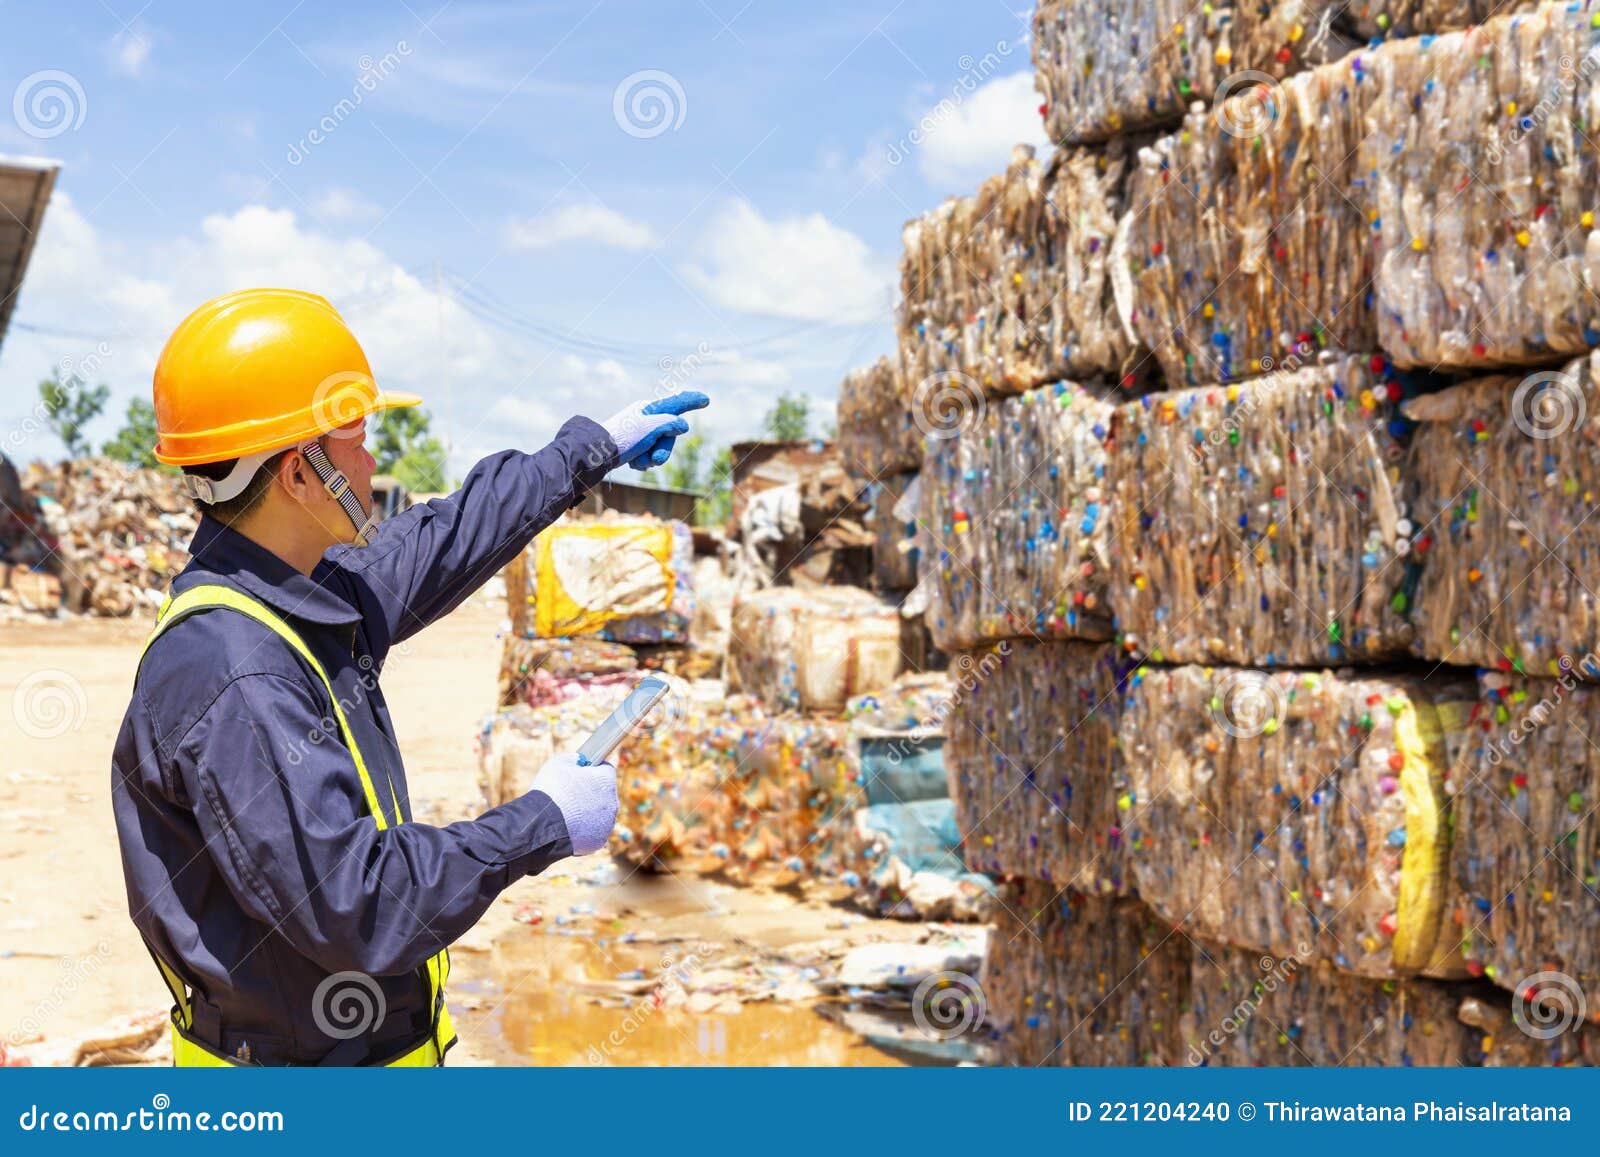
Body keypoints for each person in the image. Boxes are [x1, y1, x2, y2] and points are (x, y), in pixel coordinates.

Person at [110, 288, 708, 1066]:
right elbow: (356, 905)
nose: (372, 460)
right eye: (356, 436)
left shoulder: (295, 591)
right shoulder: (239, 672)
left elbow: (449, 536)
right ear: (299, 473)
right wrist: (542, 820)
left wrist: (590, 450)